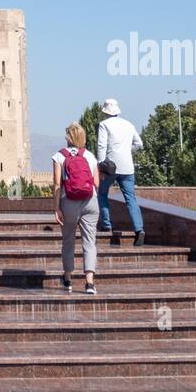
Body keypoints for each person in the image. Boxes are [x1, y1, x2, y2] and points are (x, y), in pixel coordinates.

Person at [52, 122, 100, 295]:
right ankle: (89, 283)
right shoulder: (89, 156)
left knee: (68, 241)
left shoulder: (59, 156)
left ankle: (68, 279)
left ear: (68, 138)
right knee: (89, 242)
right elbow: (96, 183)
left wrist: (56, 208)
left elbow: (57, 184)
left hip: (69, 202)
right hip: (90, 201)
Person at [96, 98, 146, 245]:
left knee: (103, 193)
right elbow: (139, 144)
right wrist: (126, 150)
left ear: (105, 111)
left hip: (110, 166)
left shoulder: (104, 125)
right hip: (127, 167)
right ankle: (139, 229)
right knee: (131, 198)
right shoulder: (128, 124)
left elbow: (101, 146)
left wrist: (100, 165)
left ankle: (106, 225)